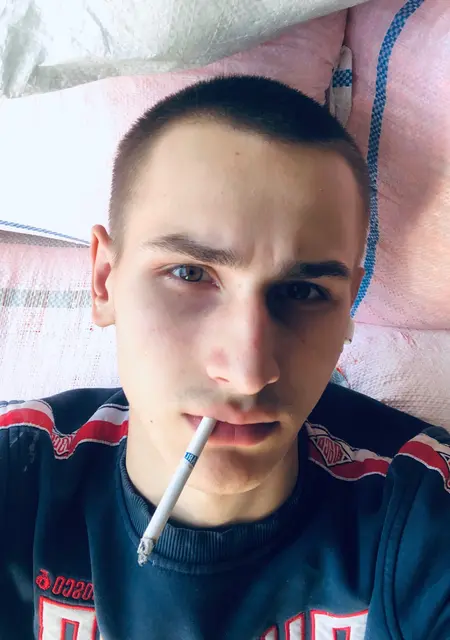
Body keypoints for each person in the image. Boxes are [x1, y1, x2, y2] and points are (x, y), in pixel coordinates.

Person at [0, 75, 448, 640]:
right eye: (190, 274)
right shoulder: (17, 475)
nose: (248, 372)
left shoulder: (420, 512)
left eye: (304, 291)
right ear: (105, 281)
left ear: (348, 308)